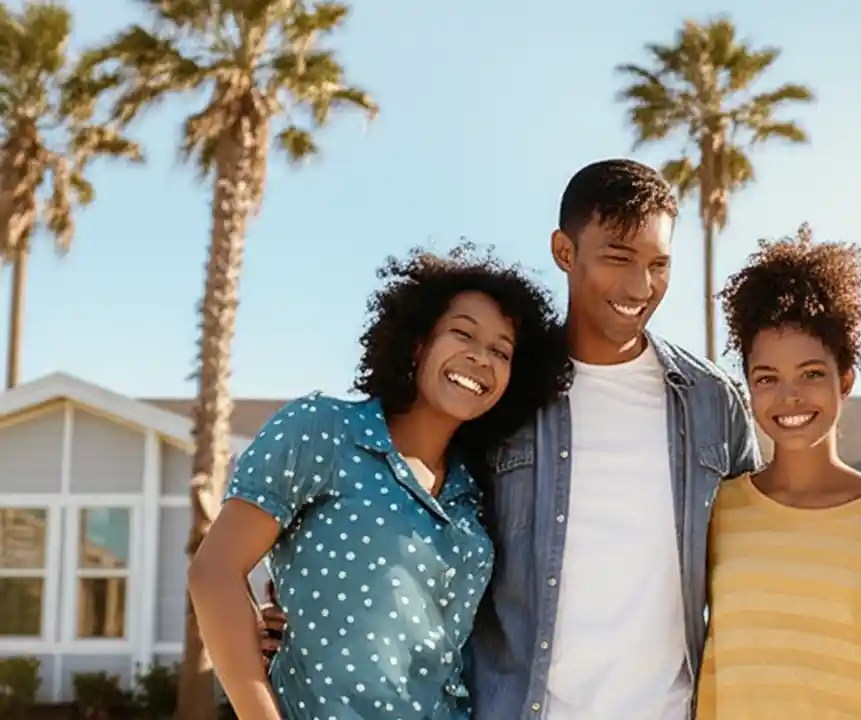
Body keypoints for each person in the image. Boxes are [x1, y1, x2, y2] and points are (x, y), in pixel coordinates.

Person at [259, 159, 760, 719]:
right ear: (565, 252)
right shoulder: (501, 386)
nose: (640, 285)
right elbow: (404, 509)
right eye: (617, 257)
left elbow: (756, 561)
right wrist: (306, 614)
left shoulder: (714, 402)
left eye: (658, 264)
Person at [189, 245, 571, 720]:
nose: (480, 358)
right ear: (417, 344)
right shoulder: (323, 431)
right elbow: (214, 572)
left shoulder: (476, 494)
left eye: (501, 350)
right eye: (462, 334)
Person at [699, 231, 861, 719]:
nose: (789, 396)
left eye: (811, 373)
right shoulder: (719, 509)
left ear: (845, 380)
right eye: (767, 378)